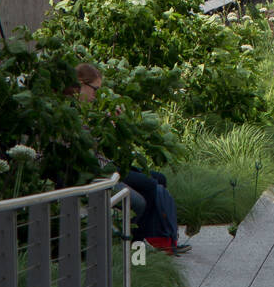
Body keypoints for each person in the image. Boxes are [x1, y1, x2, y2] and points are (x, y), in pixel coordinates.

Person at [70, 64, 191, 254]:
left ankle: (159, 239)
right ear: (80, 85)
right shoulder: (73, 112)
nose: (96, 95)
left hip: (106, 166)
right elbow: (85, 148)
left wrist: (111, 124)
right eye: (95, 89)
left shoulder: (88, 110)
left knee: (158, 180)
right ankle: (137, 251)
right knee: (148, 189)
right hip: (96, 172)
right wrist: (105, 127)